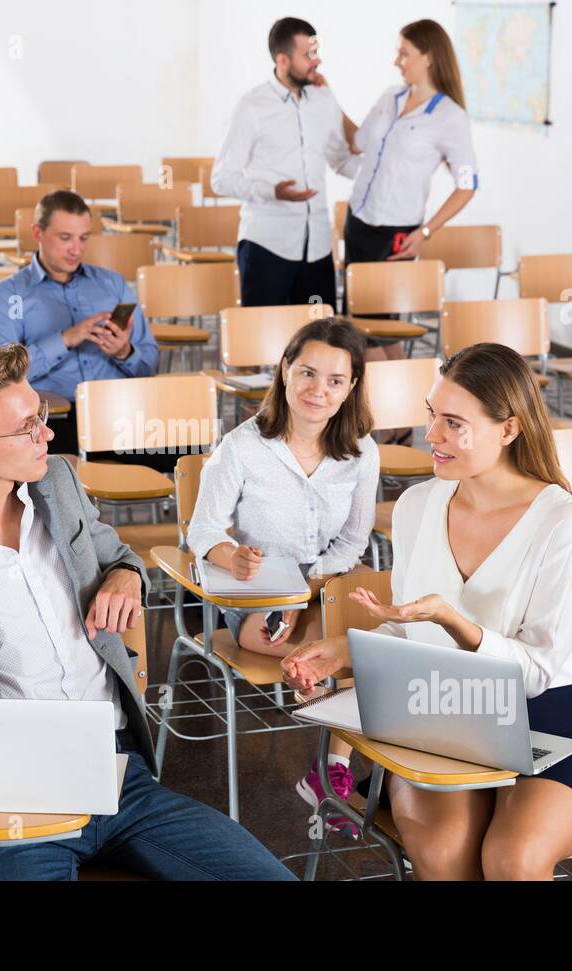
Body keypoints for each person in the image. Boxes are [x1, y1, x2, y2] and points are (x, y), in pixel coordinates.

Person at [0, 343, 294, 881]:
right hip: (9, 802)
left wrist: (126, 578)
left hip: (117, 772)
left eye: (43, 417)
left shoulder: (58, 481)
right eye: (28, 427)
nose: (48, 435)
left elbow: (121, 558)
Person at [283, 343, 572, 880]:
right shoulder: (419, 505)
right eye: (430, 416)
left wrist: (456, 622)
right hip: (441, 712)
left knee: (512, 860)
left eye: (453, 423)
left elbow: (538, 671)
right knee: (443, 856)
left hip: (550, 721)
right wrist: (347, 650)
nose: (431, 436)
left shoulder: (563, 523)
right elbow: (405, 625)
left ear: (508, 430)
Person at [187, 318, 377, 829]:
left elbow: (353, 542)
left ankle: (332, 771)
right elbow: (203, 529)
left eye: (336, 380)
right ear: (285, 371)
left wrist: (308, 592)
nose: (320, 390)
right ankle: (341, 771)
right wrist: (231, 556)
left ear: (351, 387)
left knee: (375, 650)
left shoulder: (362, 453)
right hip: (258, 597)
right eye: (308, 373)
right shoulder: (242, 447)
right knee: (346, 659)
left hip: (326, 589)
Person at [0, 189, 160, 461]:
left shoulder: (113, 284)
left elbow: (150, 363)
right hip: (50, 422)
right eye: (65, 238)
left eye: (83, 238)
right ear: (38, 233)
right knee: (52, 474)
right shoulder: (8, 294)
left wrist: (124, 352)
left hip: (120, 414)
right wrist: (65, 339)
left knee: (192, 450)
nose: (77, 249)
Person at [344, 19, 477, 362]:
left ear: (429, 57)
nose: (396, 61)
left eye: (404, 53)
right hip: (358, 220)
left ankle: (387, 412)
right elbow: (358, 142)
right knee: (369, 324)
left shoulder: (450, 117)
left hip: (396, 232)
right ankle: (405, 405)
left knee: (368, 330)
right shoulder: (390, 97)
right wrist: (327, 99)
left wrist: (427, 231)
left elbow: (467, 184)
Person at [211, 17, 359, 308]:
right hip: (267, 245)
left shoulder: (323, 100)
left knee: (320, 337)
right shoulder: (251, 107)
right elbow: (220, 179)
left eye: (316, 52)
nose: (316, 61)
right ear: (282, 59)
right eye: (308, 55)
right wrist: (272, 191)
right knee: (266, 346)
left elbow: (340, 158)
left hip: (316, 247)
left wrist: (381, 176)